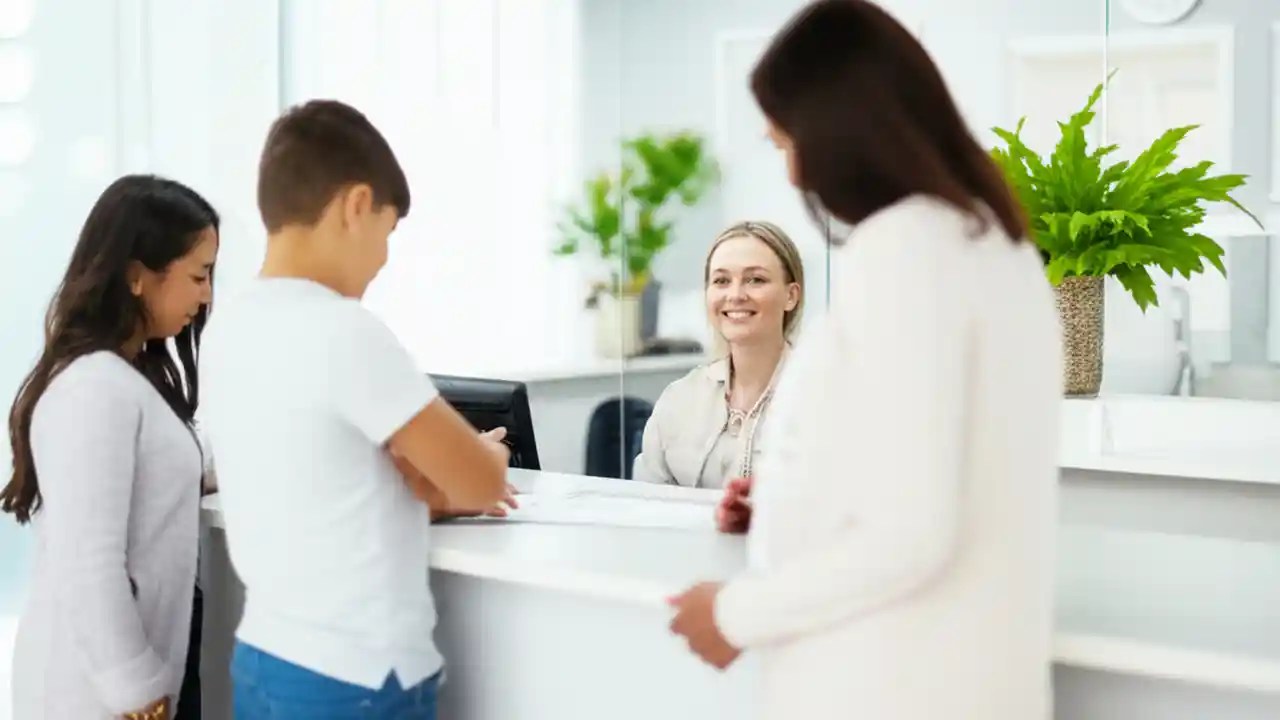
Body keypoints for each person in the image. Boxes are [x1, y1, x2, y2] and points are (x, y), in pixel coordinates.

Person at [667, 2, 1064, 719]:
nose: (792, 170)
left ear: (843, 132)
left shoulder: (906, 251)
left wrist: (734, 616)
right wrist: (792, 497)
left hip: (891, 681)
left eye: (788, 141)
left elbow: (913, 532)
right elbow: (945, 466)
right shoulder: (992, 248)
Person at [198, 99, 510, 720]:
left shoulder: (228, 326)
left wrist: (408, 474)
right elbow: (482, 480)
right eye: (388, 233)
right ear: (357, 205)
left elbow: (320, 479)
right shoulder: (344, 330)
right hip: (356, 676)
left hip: (265, 657)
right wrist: (487, 454)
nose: (384, 259)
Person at [3, 175, 220, 720]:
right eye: (199, 275)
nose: (207, 295)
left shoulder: (125, 379)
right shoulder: (95, 388)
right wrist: (140, 695)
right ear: (136, 276)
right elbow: (90, 562)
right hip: (95, 697)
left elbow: (164, 476)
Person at [632, 221, 804, 490]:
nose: (735, 295)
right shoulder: (679, 400)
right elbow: (644, 506)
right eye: (722, 281)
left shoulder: (825, 397)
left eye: (755, 279)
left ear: (790, 296)